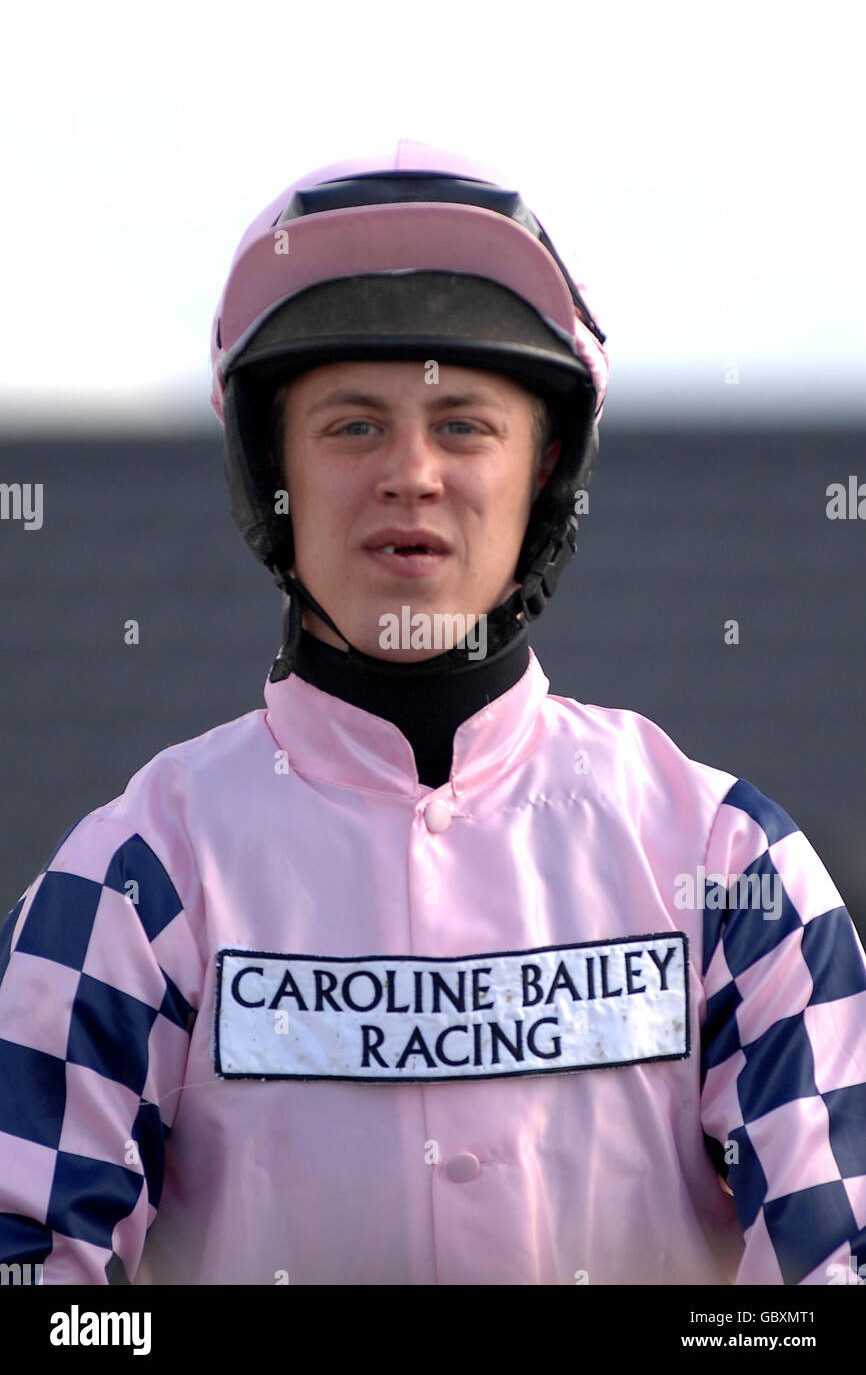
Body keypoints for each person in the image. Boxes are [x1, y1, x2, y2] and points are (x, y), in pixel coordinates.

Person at [0, 139, 864, 1288]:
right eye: (352, 425)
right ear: (275, 473)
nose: (410, 472)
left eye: (462, 424)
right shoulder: (129, 875)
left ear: (543, 471)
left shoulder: (730, 864)